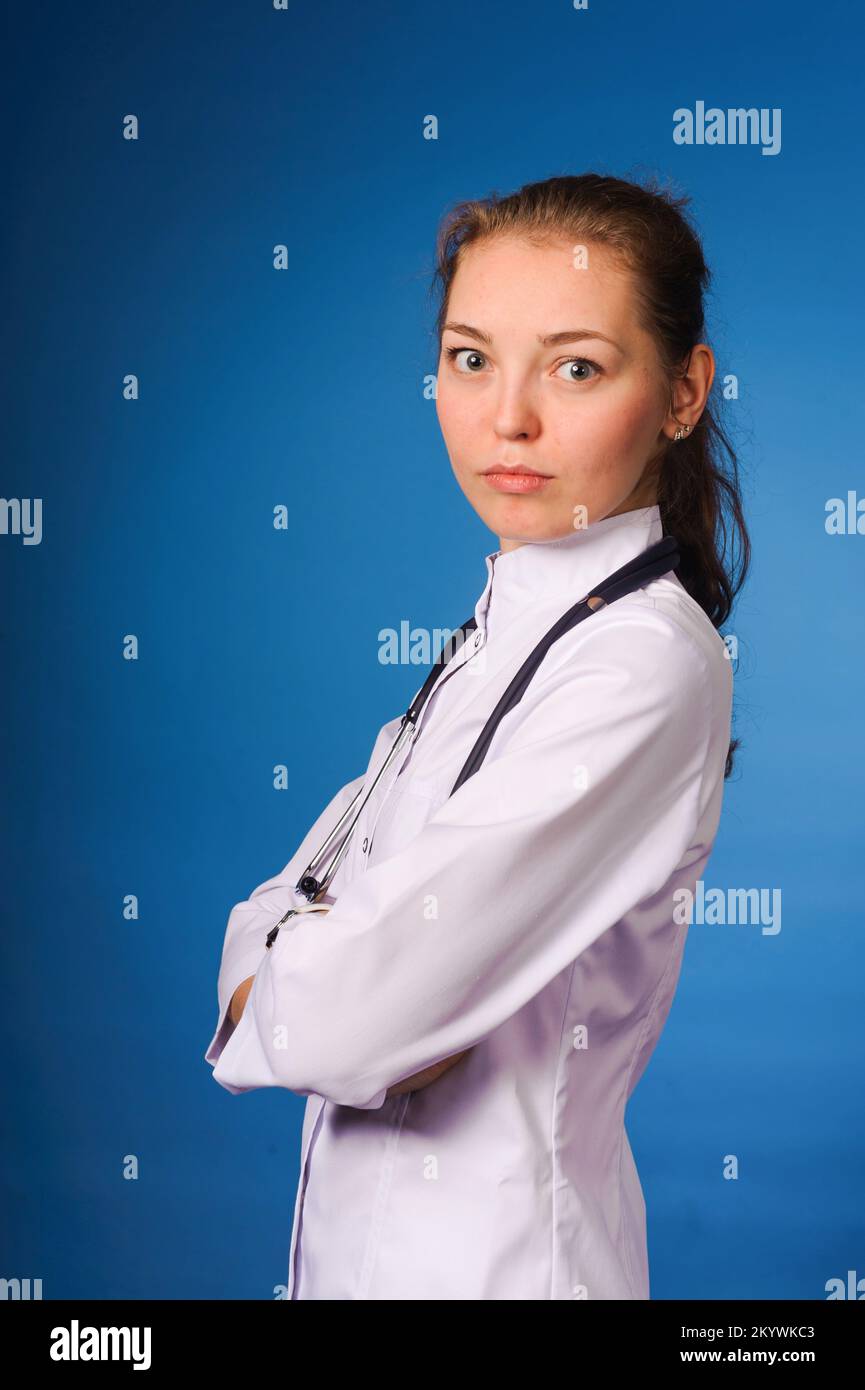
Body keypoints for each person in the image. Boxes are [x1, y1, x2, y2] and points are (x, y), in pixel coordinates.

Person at [204, 172, 750, 1300]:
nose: (509, 417)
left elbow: (348, 1024)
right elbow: (273, 933)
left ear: (683, 391)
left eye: (576, 366)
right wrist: (313, 967)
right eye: (469, 358)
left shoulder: (639, 660)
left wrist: (314, 977)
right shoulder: (498, 626)